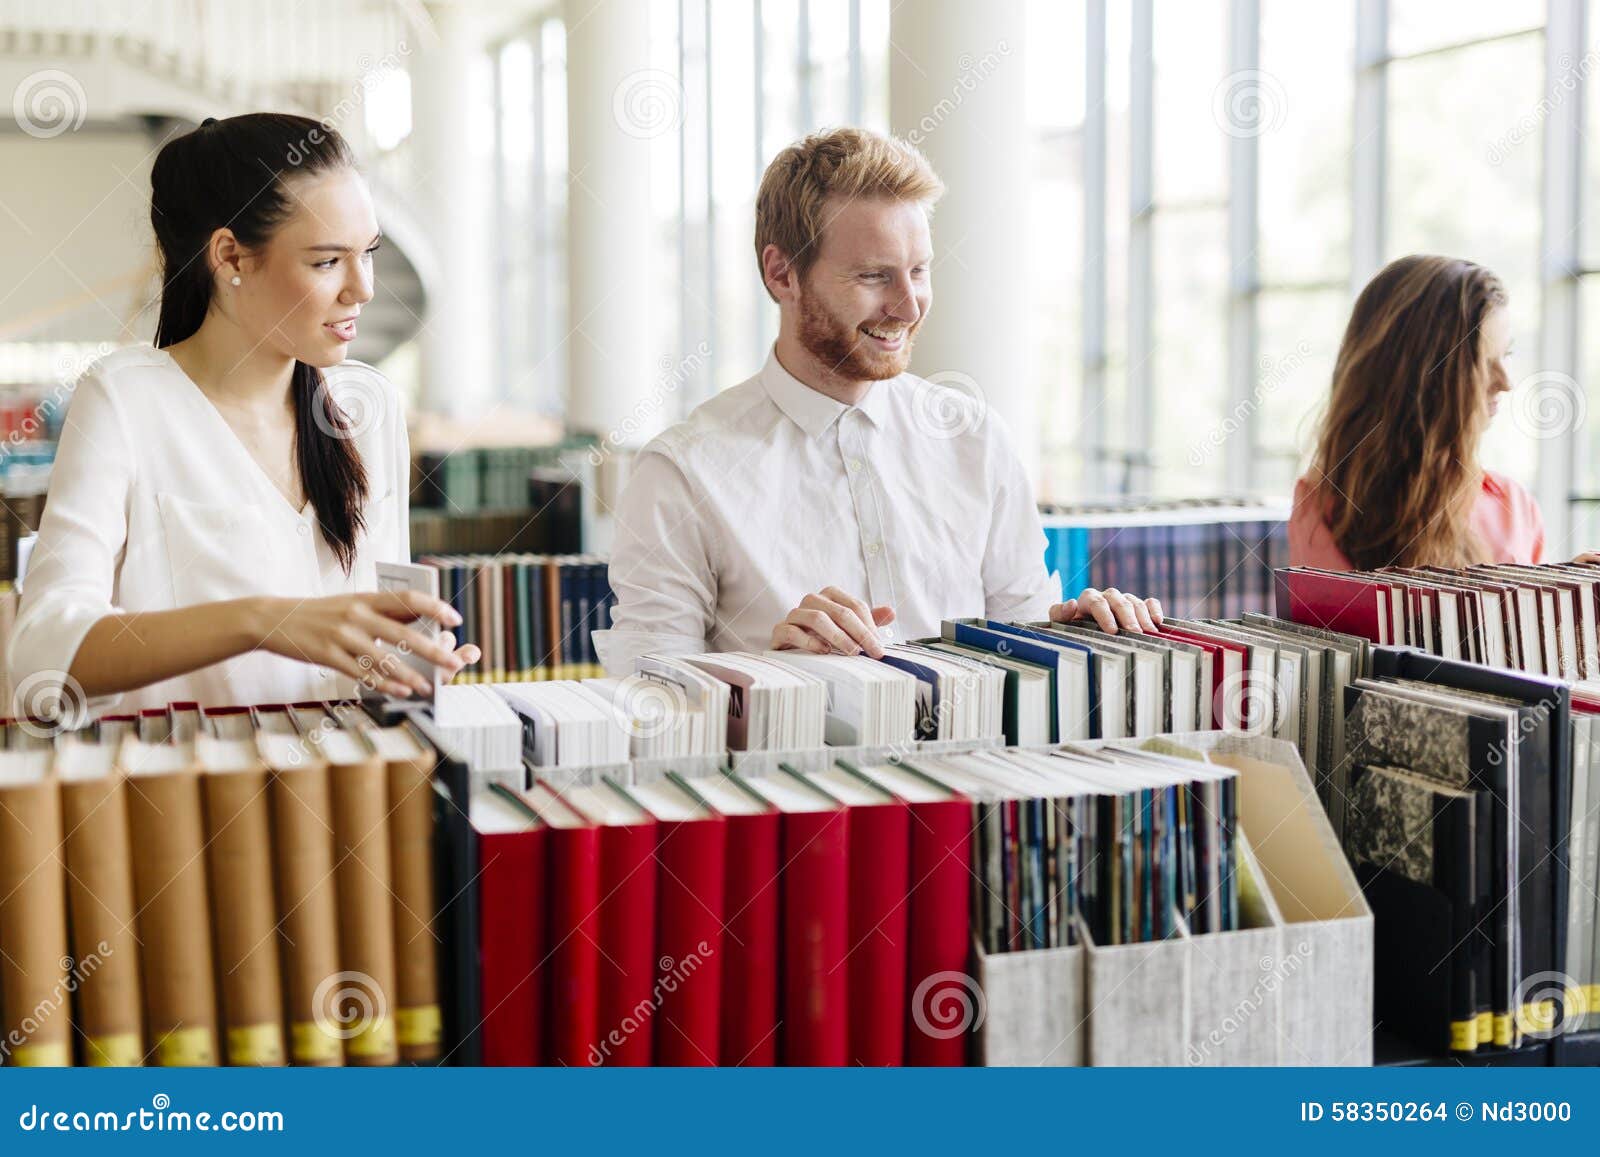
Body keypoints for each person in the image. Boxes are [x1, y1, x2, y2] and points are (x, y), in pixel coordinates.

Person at [594, 127, 1161, 676]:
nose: (910, 307)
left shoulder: (976, 439)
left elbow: (1023, 637)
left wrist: (1077, 638)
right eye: (874, 276)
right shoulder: (682, 472)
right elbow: (651, 706)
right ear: (781, 273)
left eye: (919, 271)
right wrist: (772, 676)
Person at [7, 113, 478, 722]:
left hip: (346, 787)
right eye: (327, 261)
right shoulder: (126, 400)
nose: (363, 288)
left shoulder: (369, 408)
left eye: (369, 253)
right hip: (194, 796)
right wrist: (263, 620)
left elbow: (373, 635)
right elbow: (43, 656)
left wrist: (408, 663)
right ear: (230, 256)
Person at [1290, 254, 1600, 572]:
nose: (1506, 383)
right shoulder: (1325, 506)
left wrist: (1567, 589)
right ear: (1421, 376)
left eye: (1506, 355)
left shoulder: (1514, 505)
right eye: (1480, 361)